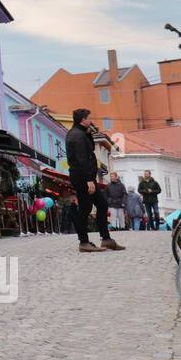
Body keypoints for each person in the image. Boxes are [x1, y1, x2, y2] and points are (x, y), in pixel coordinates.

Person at [65, 108, 124, 252]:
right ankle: (84, 242)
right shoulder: (76, 136)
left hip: (85, 176)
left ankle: (106, 239)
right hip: (82, 177)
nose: (91, 121)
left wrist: (89, 133)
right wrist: (89, 180)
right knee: (84, 209)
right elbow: (82, 159)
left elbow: (89, 149)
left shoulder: (80, 133)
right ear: (83, 120)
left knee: (102, 205)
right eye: (89, 118)